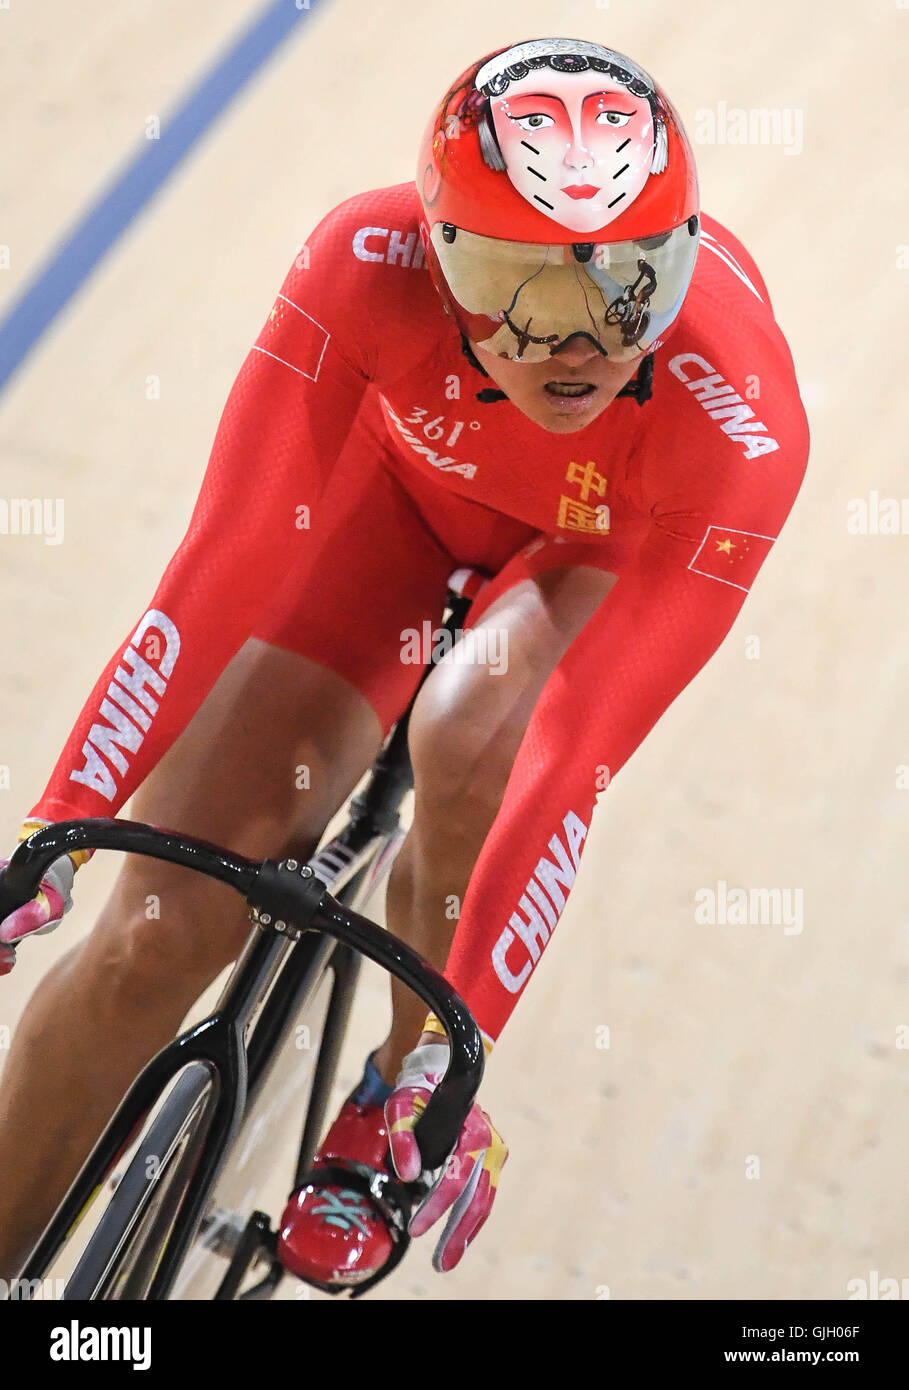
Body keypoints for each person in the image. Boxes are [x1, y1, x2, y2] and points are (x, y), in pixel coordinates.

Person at [0, 36, 809, 1290]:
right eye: (517, 285)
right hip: (395, 508)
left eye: (629, 285)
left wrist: (454, 1056)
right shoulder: (358, 262)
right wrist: (64, 817)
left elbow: (571, 760)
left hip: (589, 554)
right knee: (144, 938)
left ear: (685, 255)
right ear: (437, 255)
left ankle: (392, 1091)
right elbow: (220, 571)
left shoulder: (737, 415)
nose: (574, 342)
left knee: (475, 721)